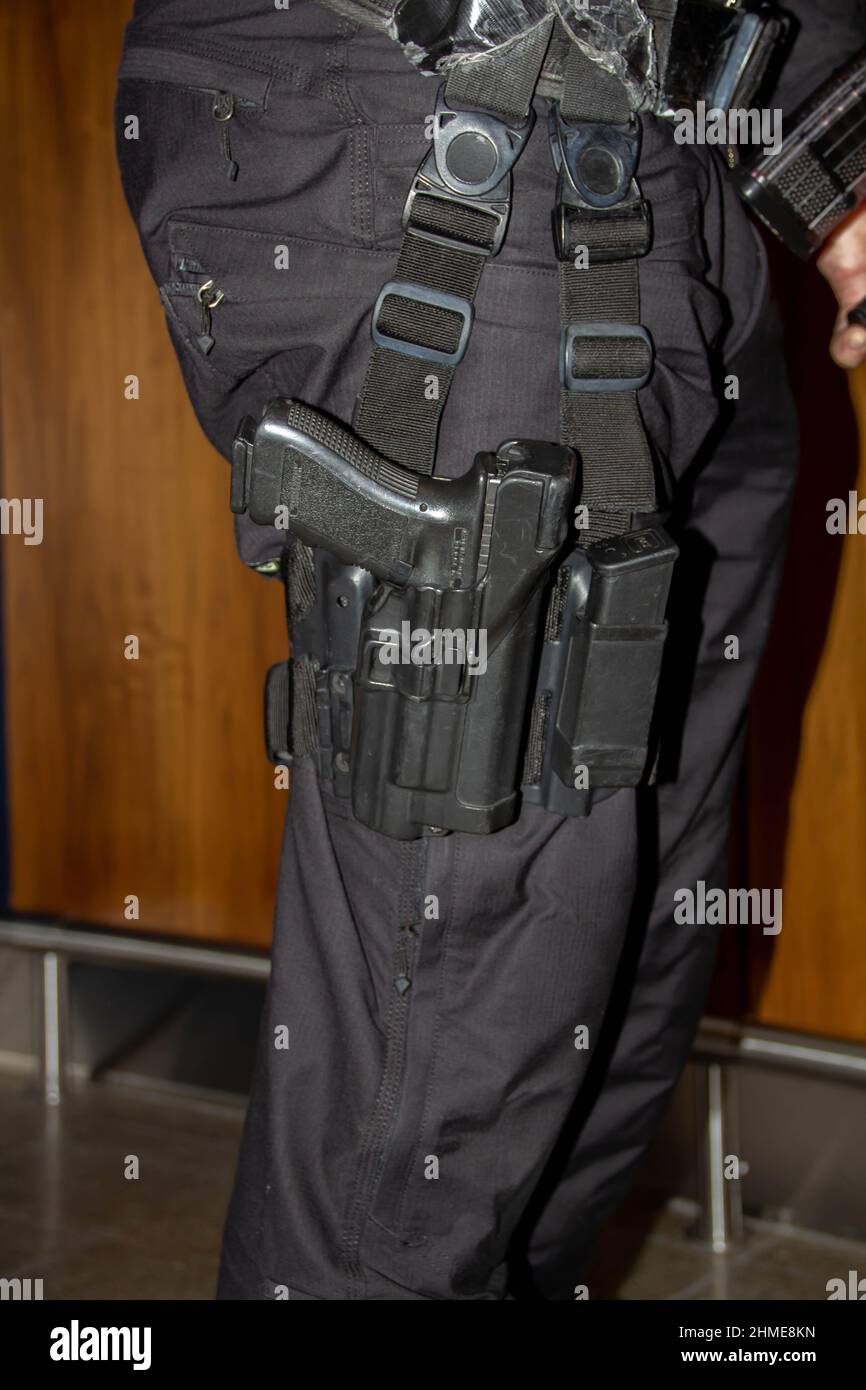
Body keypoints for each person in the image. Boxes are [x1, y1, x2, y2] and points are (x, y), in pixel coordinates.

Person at [116, 0, 866, 1300]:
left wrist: (827, 144)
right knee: (444, 1070)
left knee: (617, 963)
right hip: (456, 129)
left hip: (671, 151)